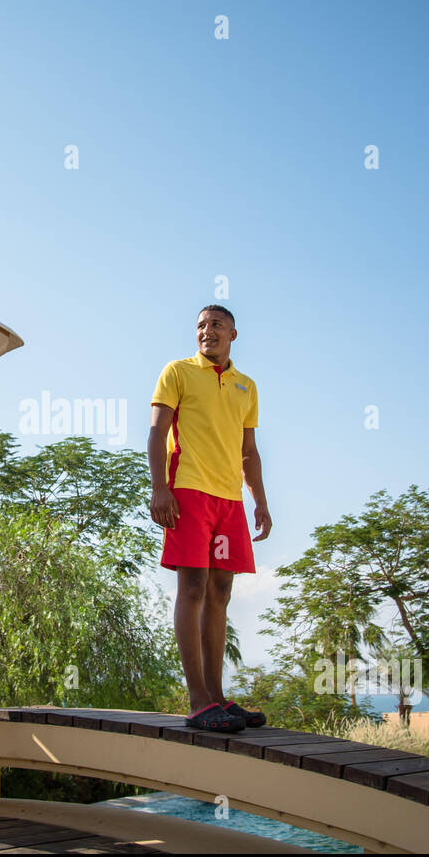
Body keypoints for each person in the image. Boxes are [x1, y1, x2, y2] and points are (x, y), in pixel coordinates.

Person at [148, 305, 271, 732]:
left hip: (229, 500)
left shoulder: (246, 386)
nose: (207, 331)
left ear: (234, 334)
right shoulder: (178, 372)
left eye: (216, 324)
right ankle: (198, 699)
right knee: (194, 586)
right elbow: (157, 432)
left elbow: (248, 452)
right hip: (189, 492)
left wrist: (260, 500)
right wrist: (159, 487)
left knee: (221, 591)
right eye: (200, 325)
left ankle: (217, 697)